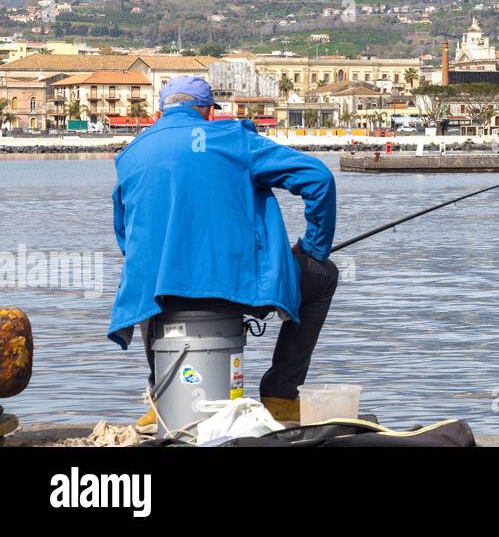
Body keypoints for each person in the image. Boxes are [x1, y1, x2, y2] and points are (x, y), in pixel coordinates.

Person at [108, 75, 338, 425]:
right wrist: (312, 247)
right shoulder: (234, 139)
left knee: (147, 276)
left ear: (160, 112)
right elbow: (318, 179)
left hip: (160, 298)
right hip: (237, 289)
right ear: (207, 110)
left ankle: (161, 399)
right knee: (323, 277)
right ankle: (281, 392)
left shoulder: (131, 154)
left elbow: (126, 239)